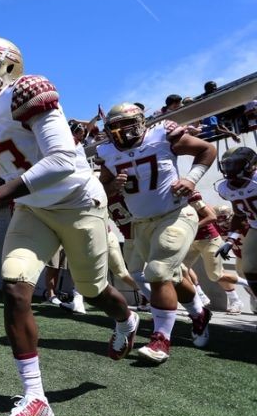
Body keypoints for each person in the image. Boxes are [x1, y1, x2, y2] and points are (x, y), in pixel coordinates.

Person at [0, 37, 138, 416]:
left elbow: (61, 160)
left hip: (77, 201)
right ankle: (36, 397)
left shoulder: (27, 90)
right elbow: (8, 166)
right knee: (16, 287)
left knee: (93, 290)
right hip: (33, 208)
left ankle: (127, 319)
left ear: (6, 67)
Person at [97, 102, 216, 364]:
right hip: (141, 222)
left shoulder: (161, 135)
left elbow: (207, 149)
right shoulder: (107, 152)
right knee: (165, 276)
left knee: (159, 272)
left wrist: (191, 178)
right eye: (114, 127)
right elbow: (102, 189)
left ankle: (161, 338)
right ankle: (198, 312)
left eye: (125, 125)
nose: (120, 132)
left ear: (141, 122)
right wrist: (111, 186)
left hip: (175, 215)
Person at [183, 191, 249, 314]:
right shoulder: (217, 226)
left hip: (248, 254)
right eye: (220, 219)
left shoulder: (243, 225)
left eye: (225, 218)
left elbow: (210, 219)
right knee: (180, 269)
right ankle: (199, 300)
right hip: (236, 254)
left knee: (217, 275)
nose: (223, 223)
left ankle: (243, 297)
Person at [214, 147, 257, 306]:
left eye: (236, 164)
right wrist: (230, 240)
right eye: (227, 165)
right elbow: (239, 214)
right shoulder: (225, 188)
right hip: (255, 226)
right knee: (249, 268)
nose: (230, 169)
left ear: (250, 164)